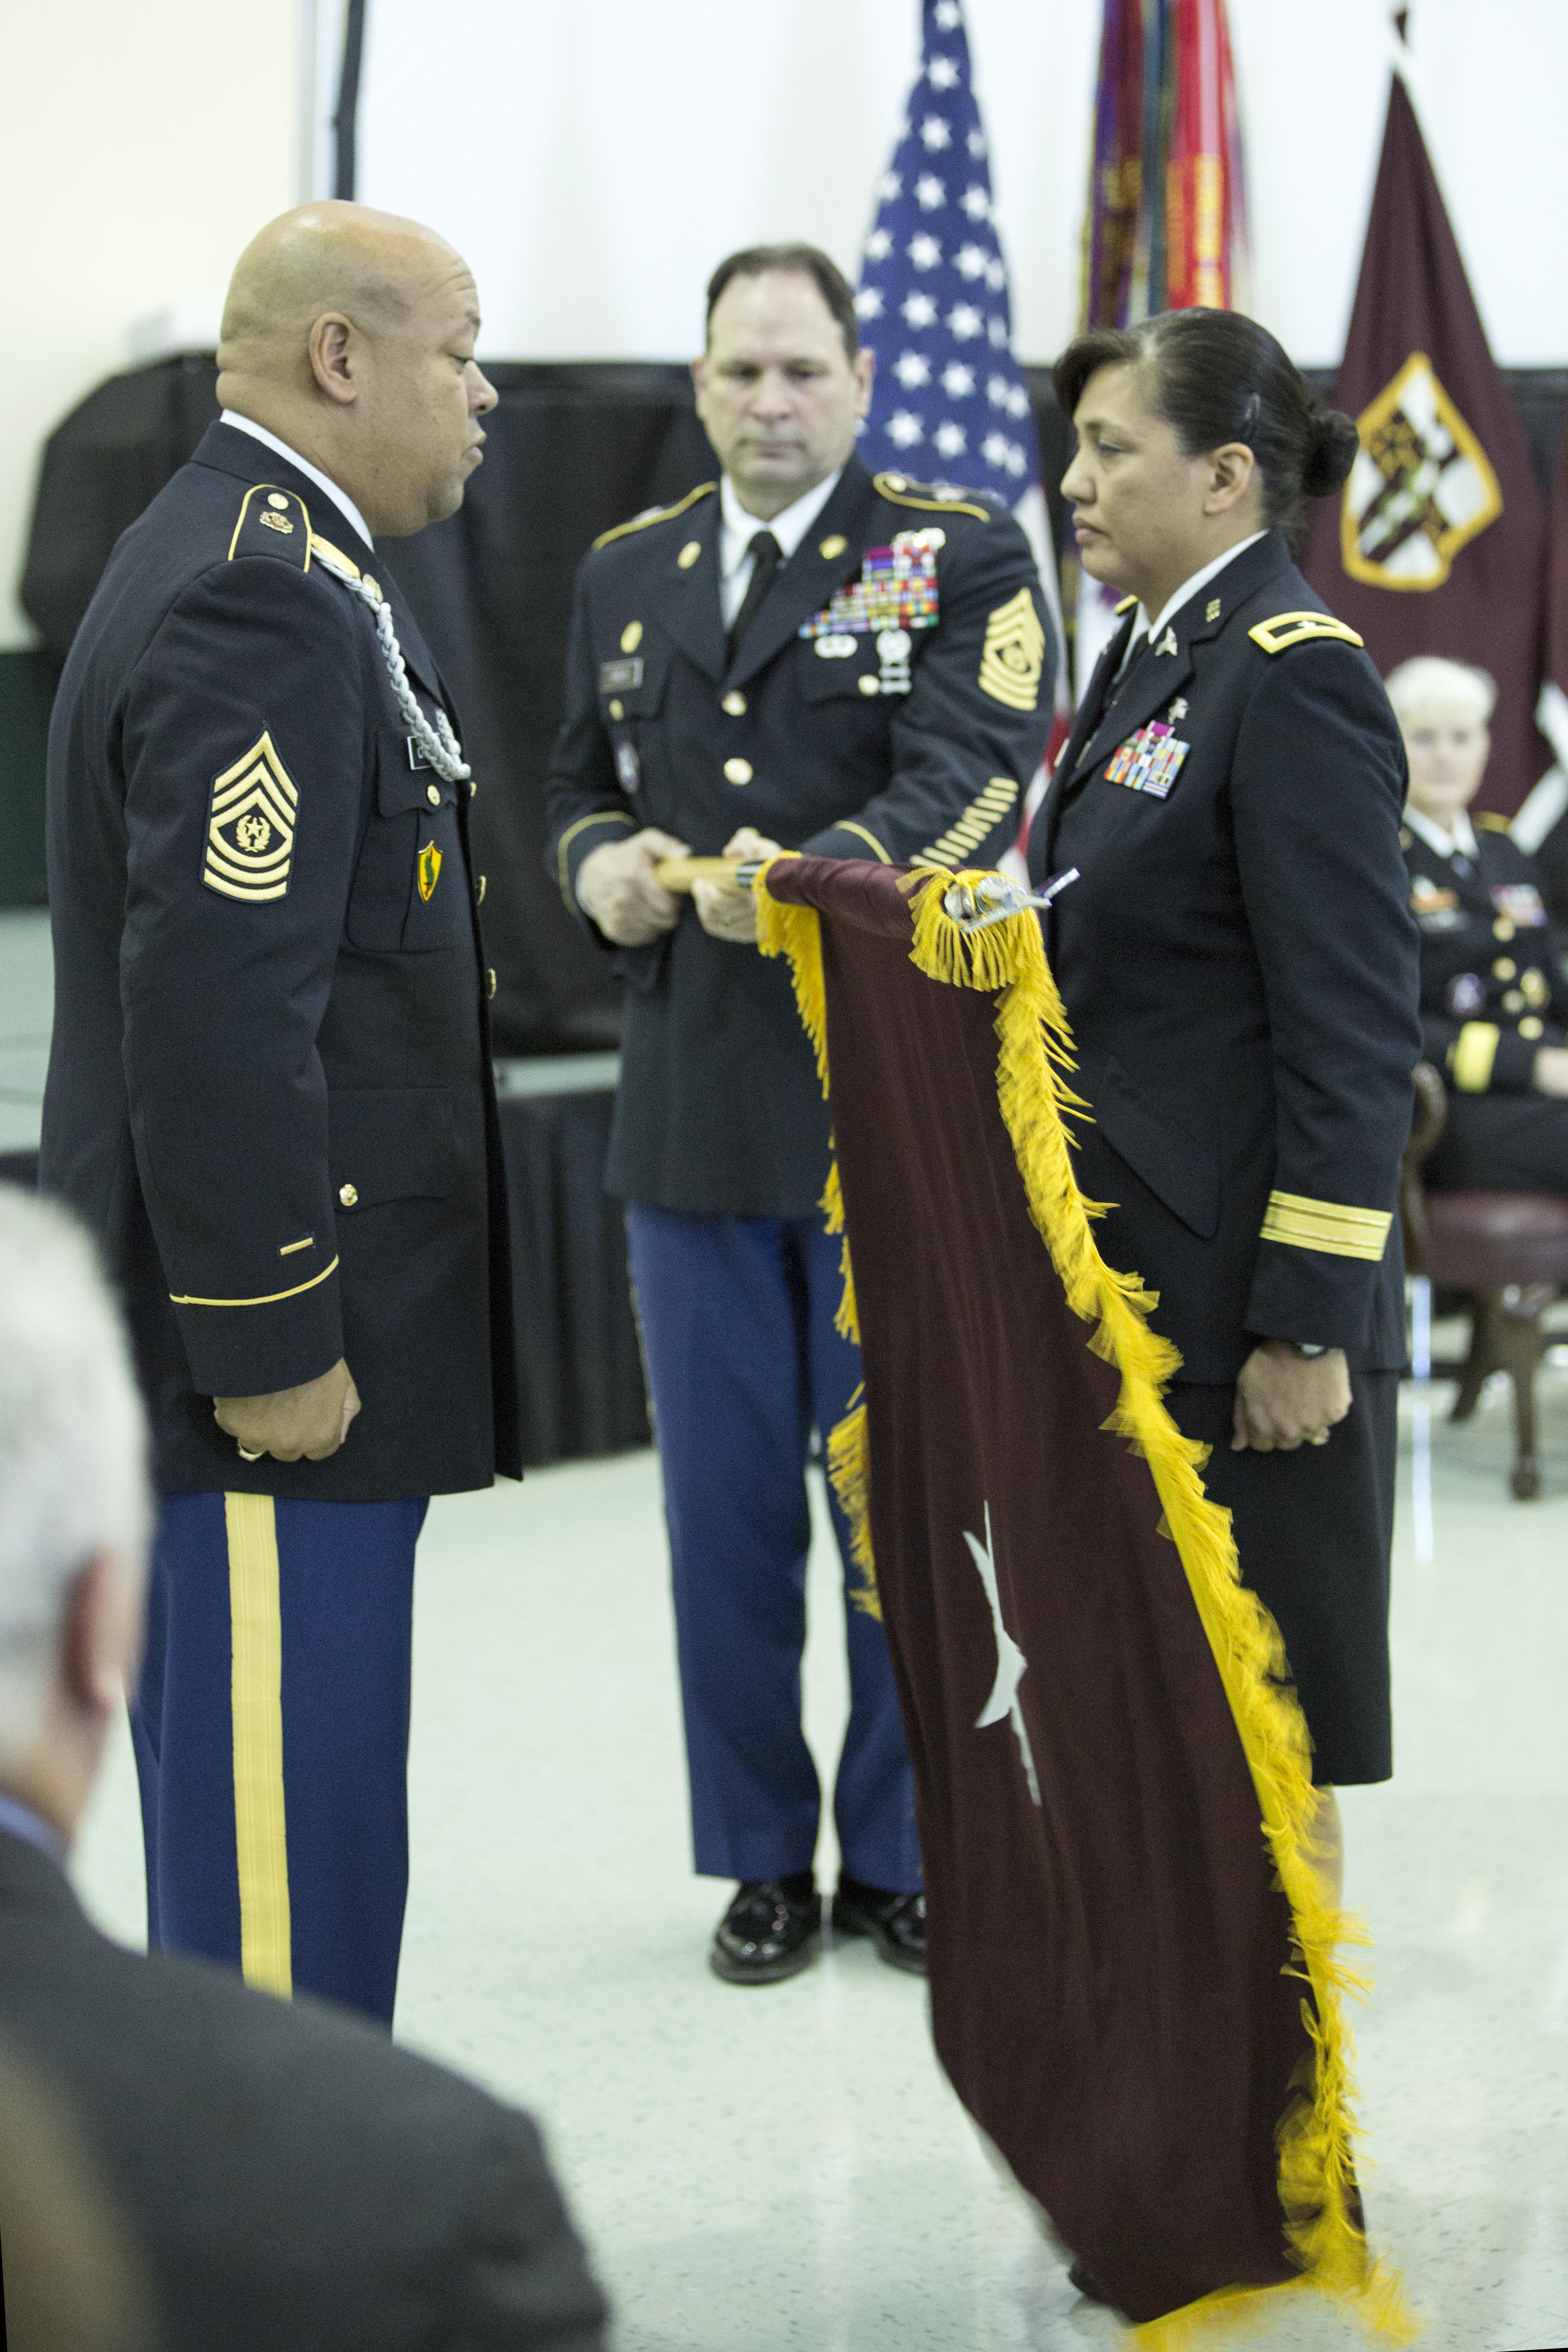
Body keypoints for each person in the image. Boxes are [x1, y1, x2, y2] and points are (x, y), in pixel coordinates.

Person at [545, 243, 1055, 1983]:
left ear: (857, 379)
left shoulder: (955, 549)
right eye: (738, 371)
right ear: (697, 382)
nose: (768, 401)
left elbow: (972, 777)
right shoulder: (625, 570)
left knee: (902, 1510)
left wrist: (805, 882)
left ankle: (904, 1853)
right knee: (724, 1523)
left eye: (798, 371)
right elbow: (566, 780)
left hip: (885, 1117)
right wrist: (594, 862)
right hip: (687, 1118)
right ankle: (758, 1855)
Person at [39, 202, 519, 2027]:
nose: (483, 400)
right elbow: (224, 1012)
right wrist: (267, 1335)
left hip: (272, 1355)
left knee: (300, 1842)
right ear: (341, 356)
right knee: (273, 1898)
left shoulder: (267, 554)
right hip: (261, 1378)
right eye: (460, 354)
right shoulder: (259, 587)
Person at [0, 1185, 607, 2352]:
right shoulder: (462, 2190)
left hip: (292, 1300)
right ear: (91, 1615)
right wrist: (267, 1328)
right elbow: (213, 1005)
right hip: (288, 1336)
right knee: (281, 2063)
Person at [1028, 307, 1421, 1916]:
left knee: (1266, 1747)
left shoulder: (1293, 680)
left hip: (1251, 1325)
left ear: (1227, 473)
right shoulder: (1157, 653)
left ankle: (1284, 2149)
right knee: (1159, 1732)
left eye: (1111, 448)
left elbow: (1352, 1030)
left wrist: (1309, 1324)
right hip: (1150, 1293)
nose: (1074, 481)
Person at [1389, 654, 1568, 1190]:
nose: (1445, 756)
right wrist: (1533, 1065)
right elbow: (1384, 1021)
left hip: (1542, 1093)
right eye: (1424, 738)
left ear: (1485, 747)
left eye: (1461, 738)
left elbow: (1551, 986)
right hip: (1453, 1106)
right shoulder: (1380, 862)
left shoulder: (1505, 851)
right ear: (1391, 746)